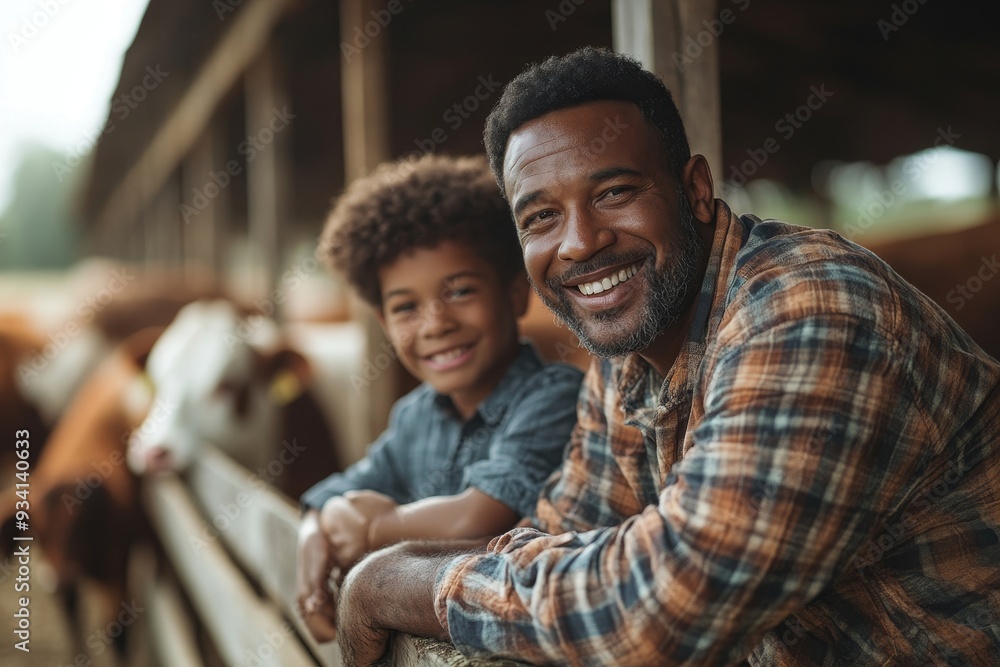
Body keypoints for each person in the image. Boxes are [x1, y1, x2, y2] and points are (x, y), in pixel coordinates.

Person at [334, 47, 1000, 665]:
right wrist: (407, 559)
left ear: (696, 189)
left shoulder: (808, 306)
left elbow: (671, 605)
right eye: (540, 217)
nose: (580, 243)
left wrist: (397, 580)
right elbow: (558, 535)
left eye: (614, 192)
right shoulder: (625, 359)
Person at [295, 154, 583, 643]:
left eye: (460, 291)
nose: (435, 324)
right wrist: (312, 530)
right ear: (385, 324)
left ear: (516, 294)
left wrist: (375, 529)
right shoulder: (414, 416)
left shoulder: (552, 397)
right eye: (406, 307)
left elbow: (481, 513)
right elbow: (349, 486)